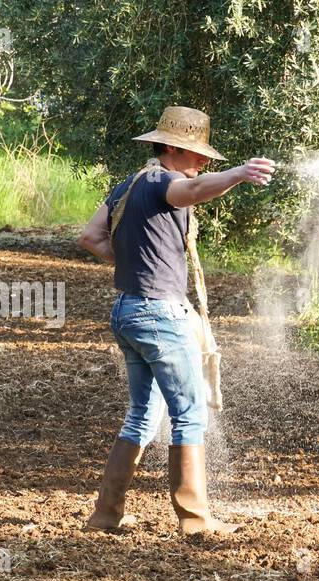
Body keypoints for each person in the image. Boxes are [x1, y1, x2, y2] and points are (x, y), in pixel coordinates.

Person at [77, 106, 275, 534]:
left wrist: (134, 262)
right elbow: (198, 189)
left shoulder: (128, 185)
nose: (202, 161)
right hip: (159, 313)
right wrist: (239, 173)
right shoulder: (166, 182)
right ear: (169, 147)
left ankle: (106, 515)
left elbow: (90, 237)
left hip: (127, 309)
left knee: (143, 416)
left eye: (204, 155)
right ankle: (196, 521)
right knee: (190, 413)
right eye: (195, 153)